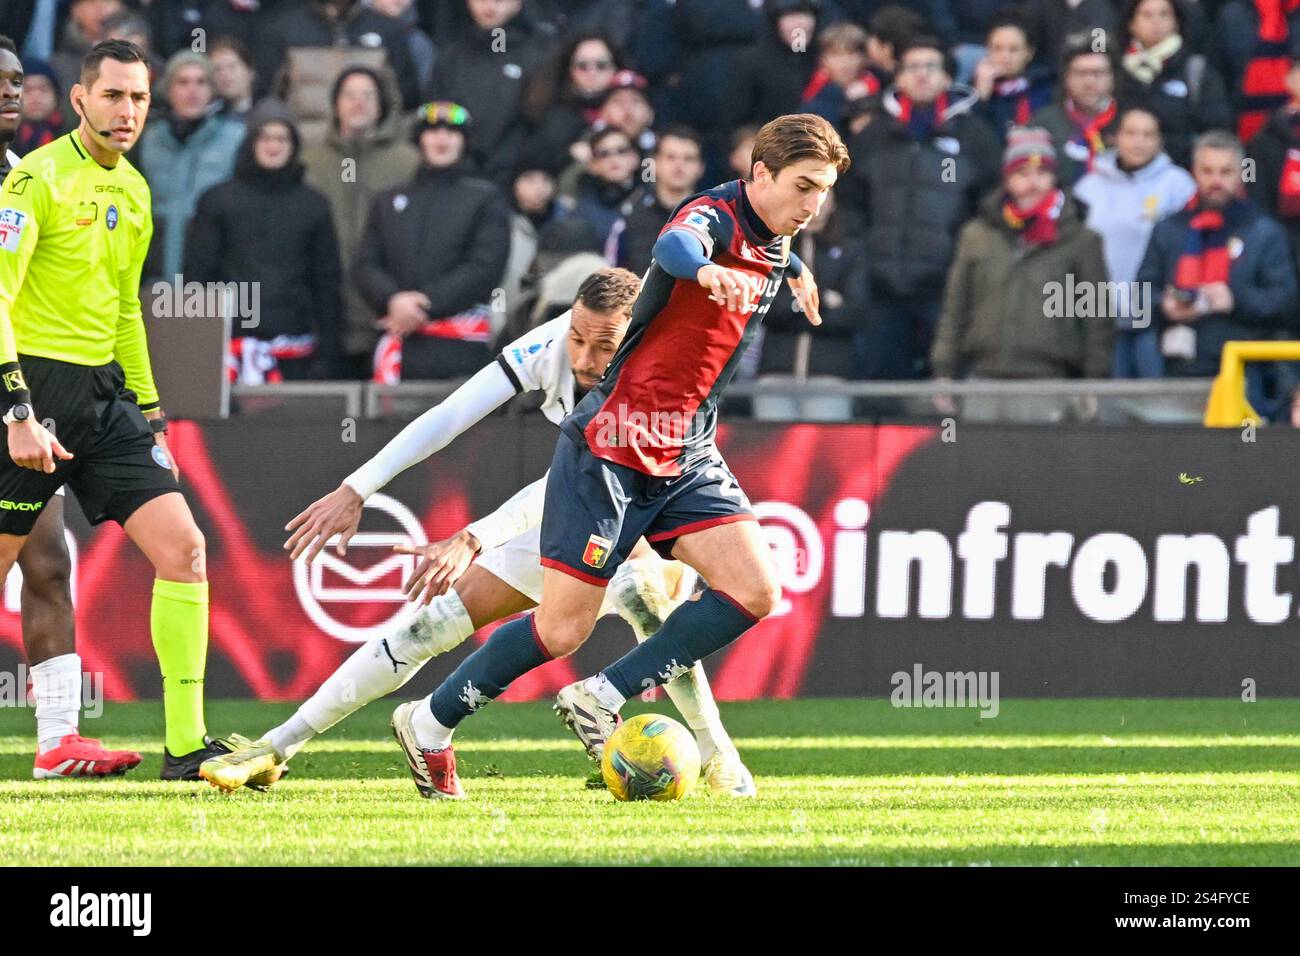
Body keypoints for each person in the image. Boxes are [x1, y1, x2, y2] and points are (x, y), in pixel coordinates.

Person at [384, 113, 842, 799]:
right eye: (803, 186)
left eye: (825, 191)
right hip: (613, 446)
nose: (813, 205)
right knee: (561, 628)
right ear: (760, 175)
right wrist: (707, 273)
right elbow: (676, 245)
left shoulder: (779, 236)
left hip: (687, 448)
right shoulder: (711, 218)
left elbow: (772, 245)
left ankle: (602, 694)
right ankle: (427, 723)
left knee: (756, 590)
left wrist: (799, 270)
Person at [202, 269, 758, 798]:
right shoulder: (550, 346)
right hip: (581, 502)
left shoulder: (659, 366)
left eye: (603, 346)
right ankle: (282, 745)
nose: (586, 360)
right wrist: (357, 488)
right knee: (434, 623)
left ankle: (717, 753)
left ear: (634, 332)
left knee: (645, 592)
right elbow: (450, 416)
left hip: (653, 505)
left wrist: (475, 537)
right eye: (578, 340)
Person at [0, 39, 228, 780]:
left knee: (185, 548)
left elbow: (127, 309)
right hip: (36, 395)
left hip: (106, 399)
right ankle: (57, 740)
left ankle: (187, 747)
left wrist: (152, 411)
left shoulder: (134, 190)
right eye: (113, 96)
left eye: (138, 98)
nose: (126, 111)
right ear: (78, 99)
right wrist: (17, 410)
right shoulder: (34, 182)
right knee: (22, 564)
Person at [0, 33, 140, 780]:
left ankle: (57, 738)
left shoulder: (26, 175)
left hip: (19, 397)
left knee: (47, 561)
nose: (10, 88)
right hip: (13, 402)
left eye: (18, 78)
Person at [838, 35, 1002, 380]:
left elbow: (990, 205)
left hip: (946, 288)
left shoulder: (975, 135)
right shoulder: (873, 135)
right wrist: (865, 254)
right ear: (898, 77)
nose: (921, 75)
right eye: (912, 67)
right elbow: (850, 201)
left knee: (943, 390)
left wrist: (964, 258)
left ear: (947, 77)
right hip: (881, 287)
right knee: (880, 395)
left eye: (931, 67)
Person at [930, 126, 1112, 413]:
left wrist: (1094, 380)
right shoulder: (976, 234)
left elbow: (1096, 317)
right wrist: (943, 370)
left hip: (1049, 379)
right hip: (983, 375)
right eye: (1022, 174)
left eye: (1042, 174)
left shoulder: (1081, 240)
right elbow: (955, 306)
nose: (1033, 183)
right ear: (1007, 179)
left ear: (1054, 178)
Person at [185, 101, 344, 383]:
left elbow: (326, 282)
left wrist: (329, 353)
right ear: (251, 142)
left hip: (296, 351)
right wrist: (198, 349)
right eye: (265, 137)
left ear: (293, 145)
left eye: (282, 138)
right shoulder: (217, 202)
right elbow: (198, 279)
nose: (274, 145)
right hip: (231, 353)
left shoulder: (314, 205)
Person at [354, 102, 512, 382]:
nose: (442, 138)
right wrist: (392, 299)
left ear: (464, 141)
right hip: (397, 349)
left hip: (460, 354)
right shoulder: (388, 200)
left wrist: (426, 303)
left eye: (452, 131)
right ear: (420, 139)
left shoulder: (486, 199)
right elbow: (366, 264)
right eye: (433, 130)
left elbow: (484, 267)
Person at [1137, 130, 1298, 384]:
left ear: (1241, 174)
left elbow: (1286, 302)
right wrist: (1164, 304)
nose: (1216, 181)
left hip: (1246, 368)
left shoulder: (1264, 232)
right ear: (1194, 172)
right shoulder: (1169, 229)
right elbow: (1142, 291)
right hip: (1178, 364)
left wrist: (1235, 300)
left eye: (1225, 172)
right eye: (1207, 171)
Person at [301, 65, 418, 380]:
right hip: (324, 312)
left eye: (368, 95)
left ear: (381, 104)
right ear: (335, 103)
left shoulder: (408, 162)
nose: (359, 102)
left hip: (388, 312)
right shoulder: (310, 162)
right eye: (349, 94)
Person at [1074, 106, 1196, 377]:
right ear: (1115, 138)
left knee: (1154, 398)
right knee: (1111, 404)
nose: (1138, 142)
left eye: (1147, 134)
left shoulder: (1178, 185)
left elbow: (1188, 246)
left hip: (1156, 315)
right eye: (1130, 133)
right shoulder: (1089, 187)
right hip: (1100, 315)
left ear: (1160, 140)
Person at [133, 50, 244, 282]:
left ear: (213, 91)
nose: (192, 90)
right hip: (153, 271)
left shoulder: (236, 138)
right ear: (168, 90)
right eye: (182, 82)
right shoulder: (148, 139)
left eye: (201, 82)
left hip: (212, 273)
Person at [1116, 0, 1232, 168]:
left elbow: (1217, 129)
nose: (1156, 21)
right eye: (1147, 15)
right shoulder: (1116, 71)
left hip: (1184, 172)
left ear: (1176, 22)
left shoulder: (1196, 71)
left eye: (1164, 14)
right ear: (1132, 24)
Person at [607, 127, 705, 278]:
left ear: (700, 168)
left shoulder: (715, 218)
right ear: (655, 163)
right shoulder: (630, 218)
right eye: (670, 157)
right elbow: (612, 277)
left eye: (688, 159)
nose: (679, 165)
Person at [1030, 32, 1120, 188]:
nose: (1089, 82)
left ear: (1112, 77)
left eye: (1098, 73)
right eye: (1081, 74)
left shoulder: (1131, 122)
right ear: (1067, 77)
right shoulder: (1042, 125)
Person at [972, 13, 1055, 143]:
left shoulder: (1046, 88)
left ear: (1029, 52)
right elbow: (972, 139)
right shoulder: (971, 91)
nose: (1005, 56)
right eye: (997, 49)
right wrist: (981, 96)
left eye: (1014, 49)